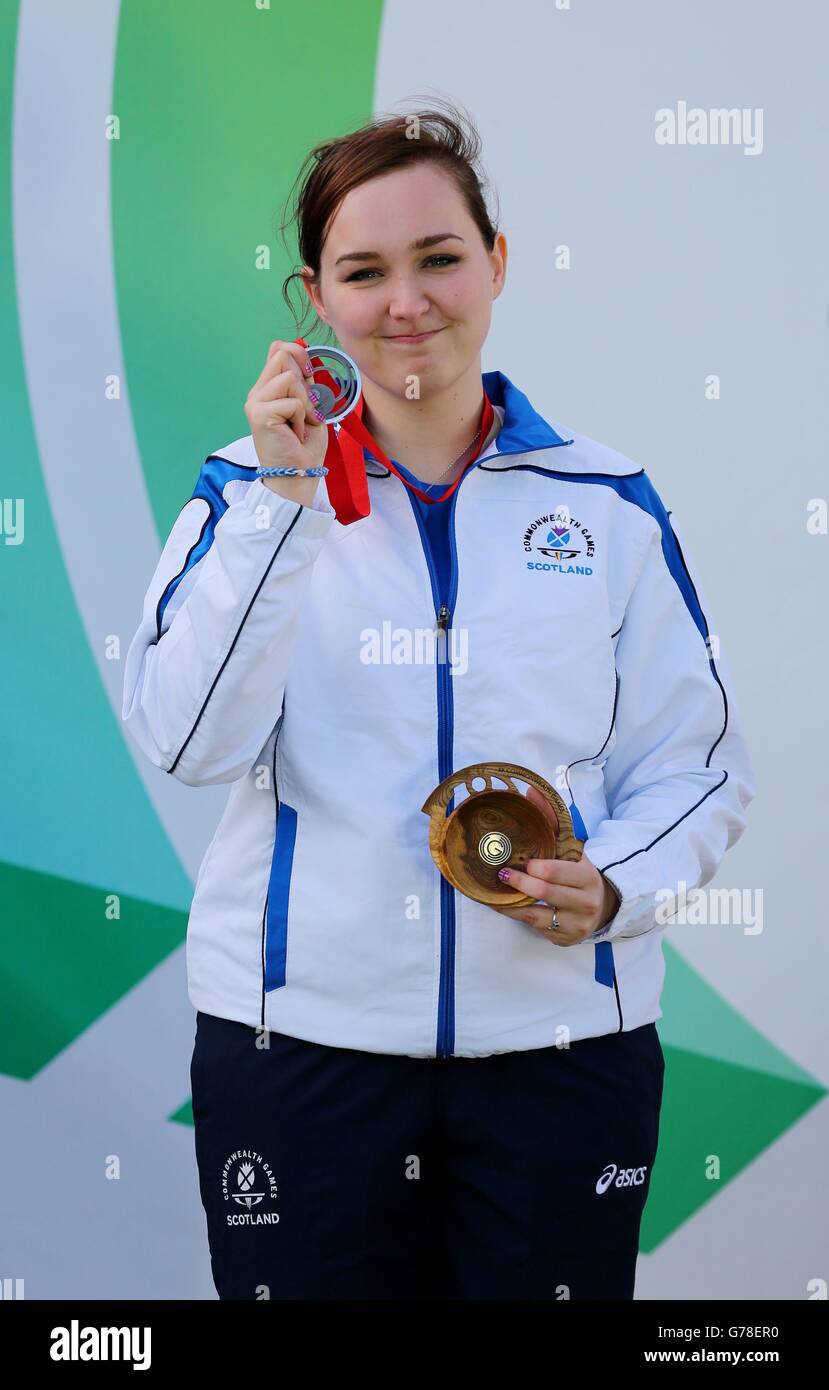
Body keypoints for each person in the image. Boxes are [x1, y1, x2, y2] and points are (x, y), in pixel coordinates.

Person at [121, 100, 756, 1301]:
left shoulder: (610, 504)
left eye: (439, 258)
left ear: (497, 264)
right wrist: (286, 495)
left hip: (562, 1057)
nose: (406, 302)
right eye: (364, 272)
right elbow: (187, 741)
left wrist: (615, 880)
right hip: (301, 1054)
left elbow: (705, 765)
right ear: (317, 299)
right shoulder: (244, 493)